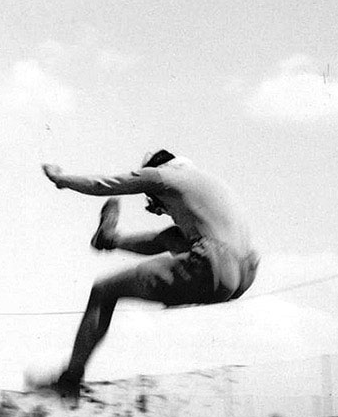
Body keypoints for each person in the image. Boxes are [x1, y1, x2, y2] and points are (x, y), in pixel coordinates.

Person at [31, 150, 259, 403]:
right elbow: (163, 243)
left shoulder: (161, 176)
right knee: (173, 236)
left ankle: (69, 381)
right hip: (244, 272)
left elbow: (103, 185)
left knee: (103, 290)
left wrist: (60, 179)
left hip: (211, 266)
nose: (158, 207)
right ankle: (111, 239)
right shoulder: (205, 183)